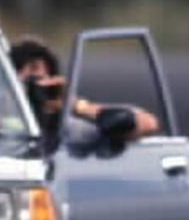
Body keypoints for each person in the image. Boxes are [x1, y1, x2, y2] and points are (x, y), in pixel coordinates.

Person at [9, 37, 160, 149]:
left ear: (52, 82)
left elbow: (148, 123)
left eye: (34, 75)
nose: (24, 83)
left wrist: (75, 105)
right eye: (16, 73)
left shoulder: (70, 131)